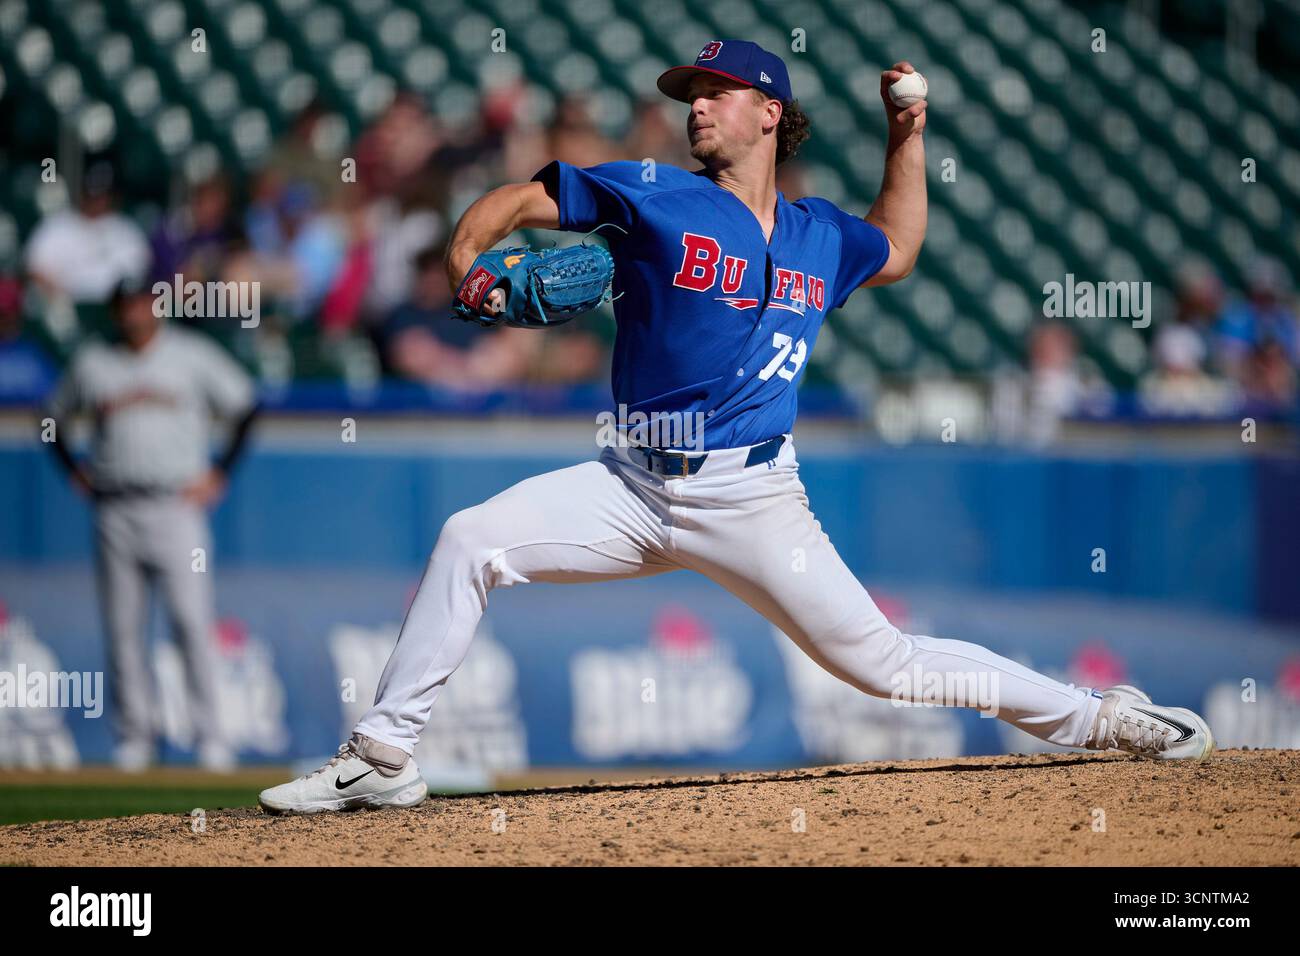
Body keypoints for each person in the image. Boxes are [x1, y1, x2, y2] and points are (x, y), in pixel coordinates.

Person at [259, 40, 1215, 814]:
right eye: (691, 93)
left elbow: (902, 245)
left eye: (717, 91)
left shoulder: (819, 235)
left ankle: (1100, 719)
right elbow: (525, 198)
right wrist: (473, 261)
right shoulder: (652, 191)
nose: (696, 105)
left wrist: (906, 132)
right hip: (630, 484)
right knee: (469, 538)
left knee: (889, 666)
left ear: (770, 113)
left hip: (754, 495)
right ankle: (383, 755)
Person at [42, 279, 259, 771]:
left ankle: (210, 737)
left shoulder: (190, 354)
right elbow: (49, 419)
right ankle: (134, 737)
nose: (136, 312)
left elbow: (246, 404)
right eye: (128, 304)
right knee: (122, 627)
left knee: (191, 620)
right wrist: (74, 471)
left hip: (176, 504)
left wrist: (221, 470)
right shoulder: (95, 362)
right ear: (118, 310)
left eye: (144, 302)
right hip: (115, 506)